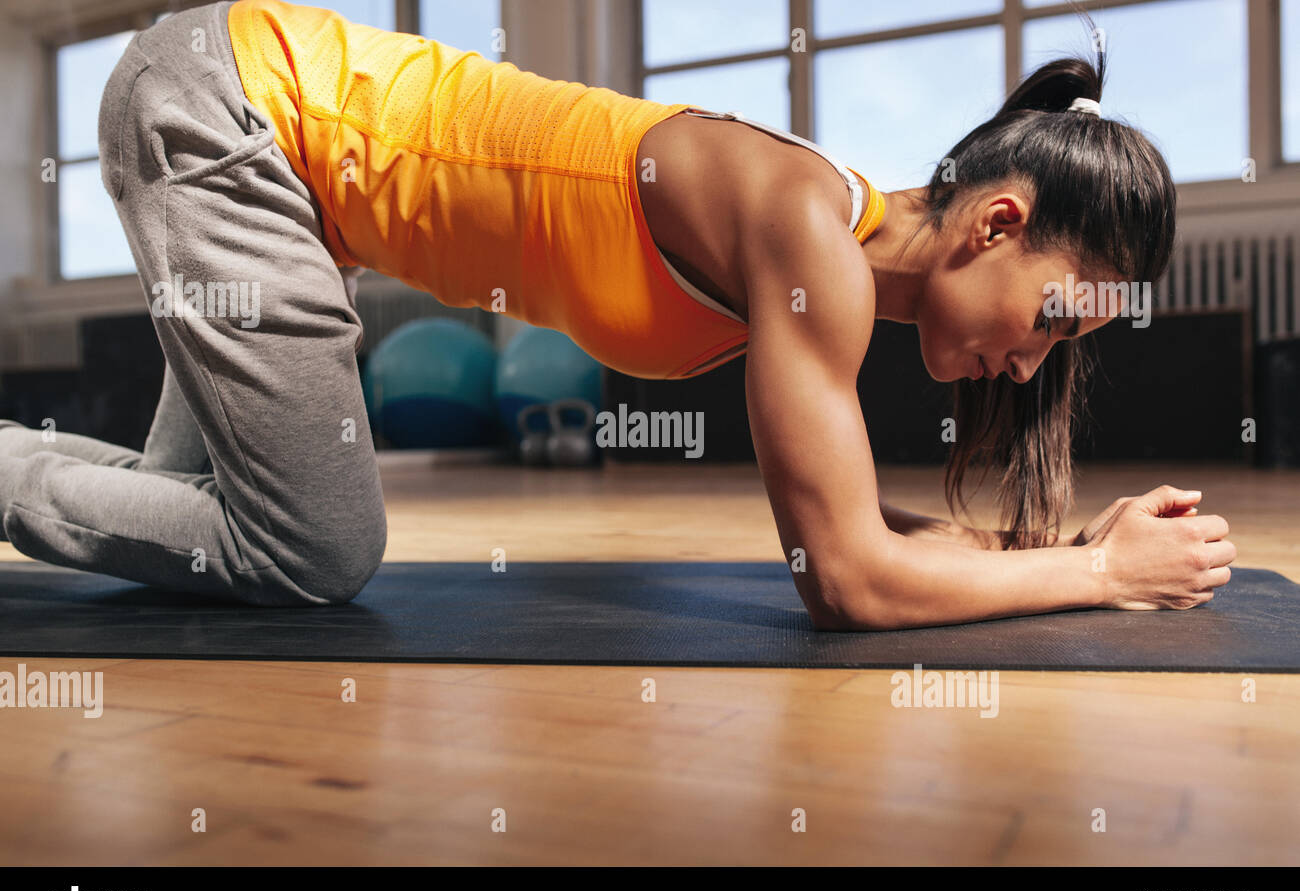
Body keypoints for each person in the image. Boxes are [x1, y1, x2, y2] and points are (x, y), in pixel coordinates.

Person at [0, 0, 1233, 626]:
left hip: (272, 159)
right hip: (240, 116)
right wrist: (1098, 580)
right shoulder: (809, 235)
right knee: (312, 551)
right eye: (1057, 323)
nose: (1028, 369)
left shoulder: (824, 247)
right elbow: (850, 580)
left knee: (202, 523)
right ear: (999, 225)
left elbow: (847, 526)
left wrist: (1070, 550)